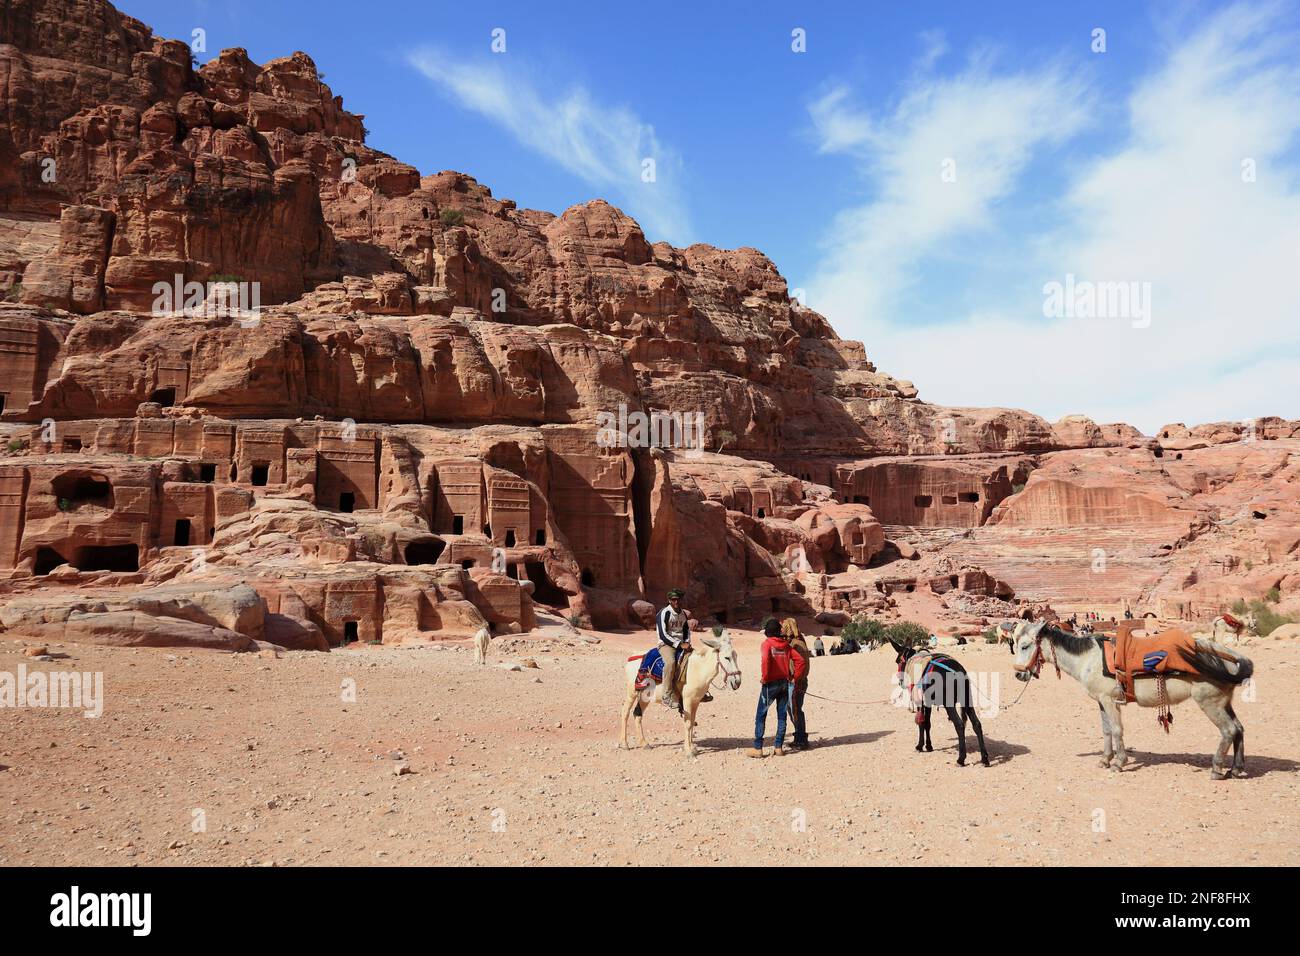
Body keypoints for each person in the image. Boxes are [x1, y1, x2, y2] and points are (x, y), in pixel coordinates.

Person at [750, 619, 792, 757]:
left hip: (770, 684)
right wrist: (793, 676)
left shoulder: (767, 644)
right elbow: (800, 660)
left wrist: (765, 678)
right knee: (782, 715)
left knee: (761, 715)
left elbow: (766, 661)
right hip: (784, 683)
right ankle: (778, 747)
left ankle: (758, 749)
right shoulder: (786, 645)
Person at [656, 588, 690, 709]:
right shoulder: (664, 613)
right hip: (666, 644)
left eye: (678, 599)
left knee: (697, 658)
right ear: (669, 600)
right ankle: (666, 696)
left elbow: (686, 631)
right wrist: (678, 645)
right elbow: (662, 634)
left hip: (681, 643)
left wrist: (686, 642)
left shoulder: (683, 614)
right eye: (673, 599)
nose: (676, 602)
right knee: (670, 663)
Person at [785, 619, 811, 750]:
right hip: (799, 681)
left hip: (797, 682)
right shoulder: (798, 641)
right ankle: (799, 737)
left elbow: (802, 665)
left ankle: (801, 739)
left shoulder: (796, 644)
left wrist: (795, 679)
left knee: (795, 710)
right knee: (793, 709)